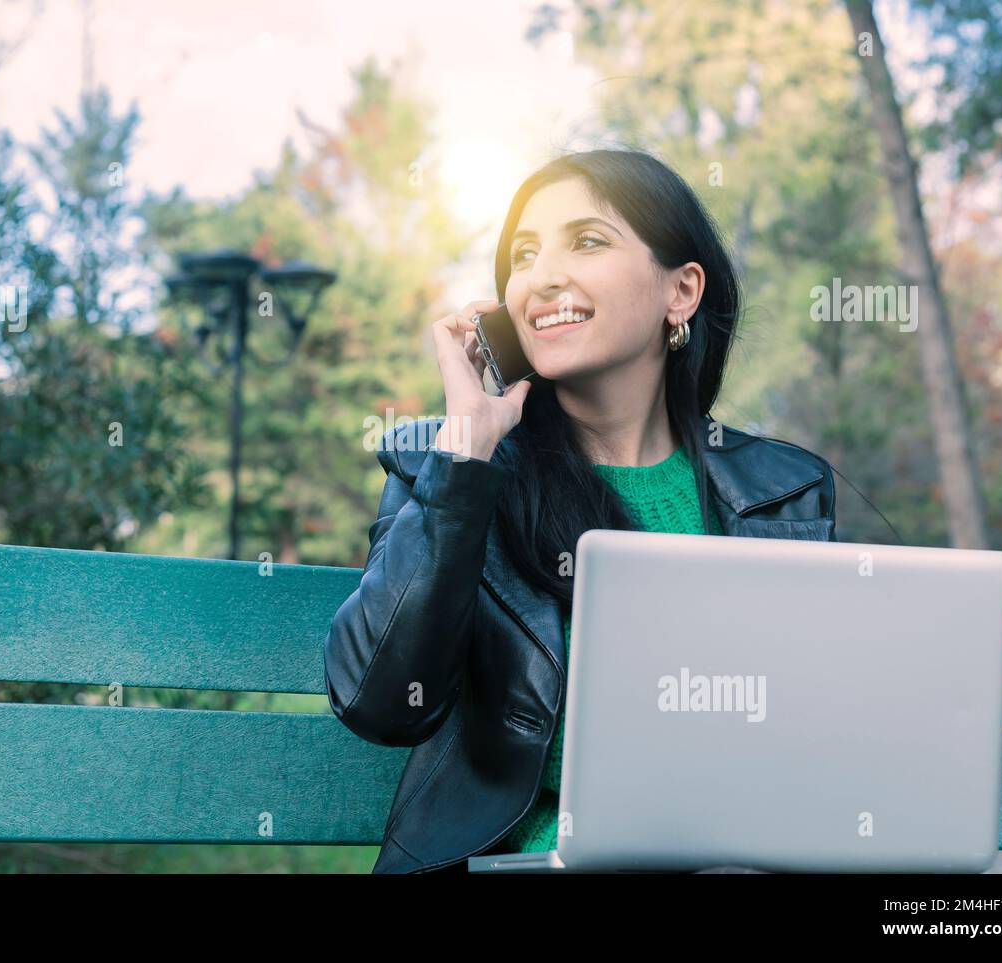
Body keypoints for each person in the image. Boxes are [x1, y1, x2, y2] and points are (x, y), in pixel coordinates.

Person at [323, 146, 837, 874]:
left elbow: (806, 728)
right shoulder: (448, 468)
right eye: (524, 254)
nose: (542, 276)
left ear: (681, 292)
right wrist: (465, 453)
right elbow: (381, 700)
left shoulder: (782, 491)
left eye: (587, 241)